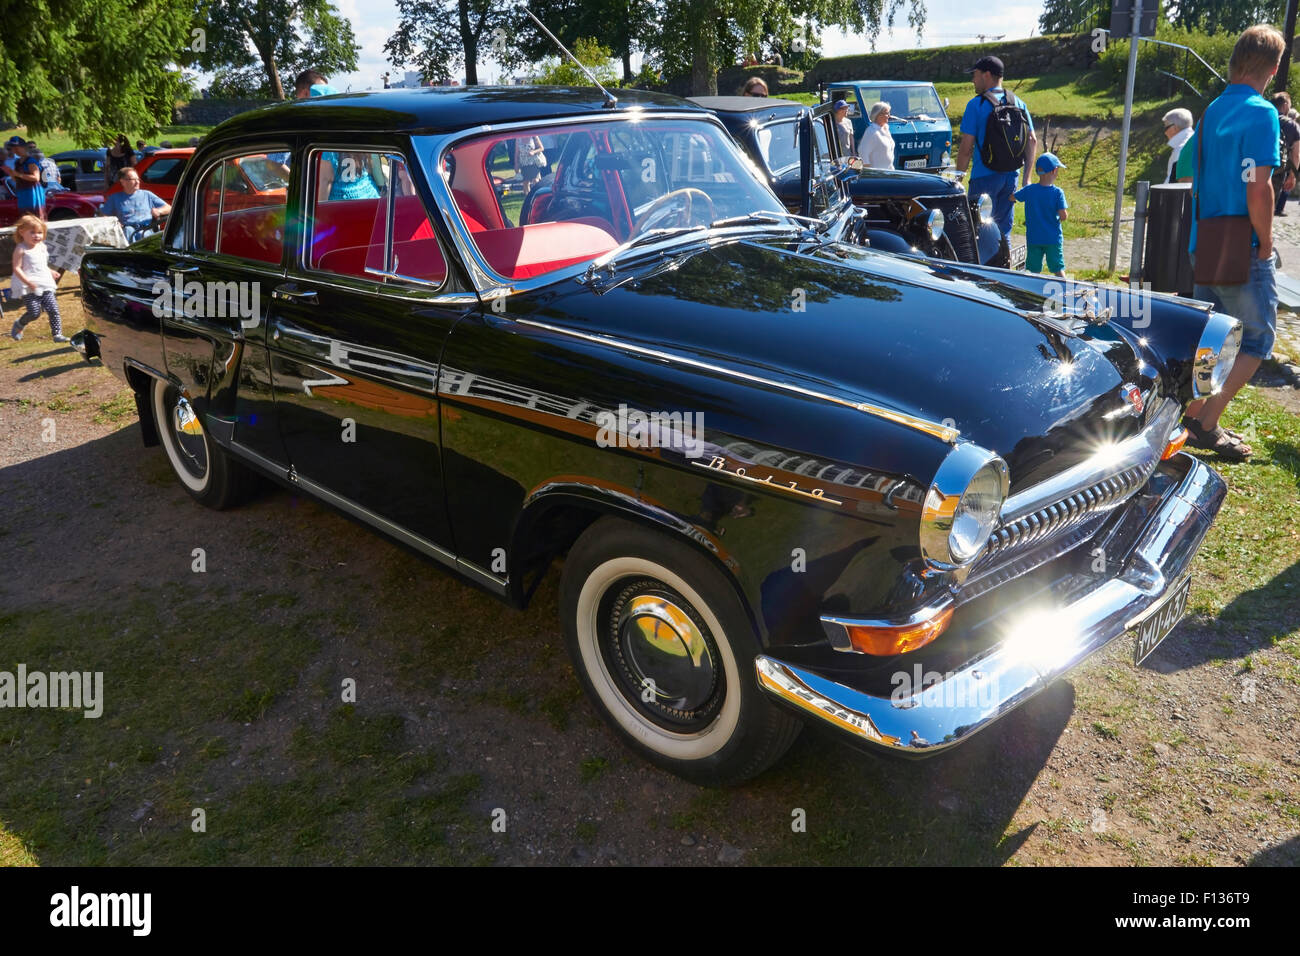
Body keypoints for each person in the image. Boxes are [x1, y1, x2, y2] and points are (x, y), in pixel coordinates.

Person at [1185, 24, 1288, 461]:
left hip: (1204, 238)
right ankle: (1208, 423)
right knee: (1255, 342)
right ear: (1274, 66)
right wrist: (1265, 243)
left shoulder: (1211, 110)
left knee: (1211, 339)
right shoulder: (1262, 112)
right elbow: (1259, 188)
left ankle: (1189, 415)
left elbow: (1198, 179)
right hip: (1241, 243)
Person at [956, 55, 1037, 241]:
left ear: (986, 75)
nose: (972, 79)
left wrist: (958, 178)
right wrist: (1027, 178)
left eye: (975, 75)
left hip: (983, 177)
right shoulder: (1018, 102)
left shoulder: (976, 104)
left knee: (978, 233)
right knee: (1002, 233)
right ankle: (1003, 268)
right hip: (1011, 177)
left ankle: (979, 270)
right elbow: (1032, 141)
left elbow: (966, 148)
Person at [9, 215, 66, 343]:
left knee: (53, 309)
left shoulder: (41, 246)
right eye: (32, 232)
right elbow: (17, 268)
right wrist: (28, 282)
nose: (37, 236)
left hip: (44, 282)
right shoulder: (21, 249)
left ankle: (57, 334)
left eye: (40, 233)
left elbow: (41, 264)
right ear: (22, 232)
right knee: (34, 313)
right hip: (29, 285)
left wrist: (51, 271)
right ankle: (19, 324)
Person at [1014, 153, 1069, 276]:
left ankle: (1033, 292)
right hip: (1053, 239)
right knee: (1057, 268)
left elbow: (1013, 197)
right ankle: (1065, 290)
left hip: (1034, 238)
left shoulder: (1029, 190)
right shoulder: (1057, 193)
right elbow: (1063, 216)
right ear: (1054, 171)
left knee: (1034, 271)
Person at [98, 168, 170, 241]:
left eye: (138, 179)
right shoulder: (115, 198)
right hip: (127, 229)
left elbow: (169, 208)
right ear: (123, 181)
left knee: (143, 234)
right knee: (128, 231)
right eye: (133, 179)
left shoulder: (147, 195)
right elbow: (104, 215)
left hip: (145, 229)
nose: (137, 182)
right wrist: (114, 223)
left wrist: (159, 211)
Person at [3, 137, 47, 219]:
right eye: (13, 148)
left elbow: (36, 178)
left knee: (35, 216)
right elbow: (16, 180)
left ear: (24, 147)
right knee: (25, 217)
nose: (15, 150)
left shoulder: (30, 161)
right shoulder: (17, 162)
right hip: (22, 192)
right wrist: (11, 173)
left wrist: (18, 174)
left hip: (33, 192)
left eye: (17, 147)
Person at [1271, 92, 1299, 214]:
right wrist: (1292, 176)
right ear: (1286, 104)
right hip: (1278, 171)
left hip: (1254, 167)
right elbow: (1296, 154)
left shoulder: (1263, 117)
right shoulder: (1292, 125)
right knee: (1269, 206)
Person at [1161, 108, 1194, 183]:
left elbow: (1171, 182)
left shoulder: (1181, 148)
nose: (1165, 132)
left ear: (1174, 127)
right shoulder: (1194, 140)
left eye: (1165, 128)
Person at [858, 102, 894, 169]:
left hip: (888, 172)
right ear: (878, 115)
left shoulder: (885, 128)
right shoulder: (871, 131)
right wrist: (869, 173)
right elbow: (862, 152)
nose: (889, 116)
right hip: (877, 175)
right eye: (887, 113)